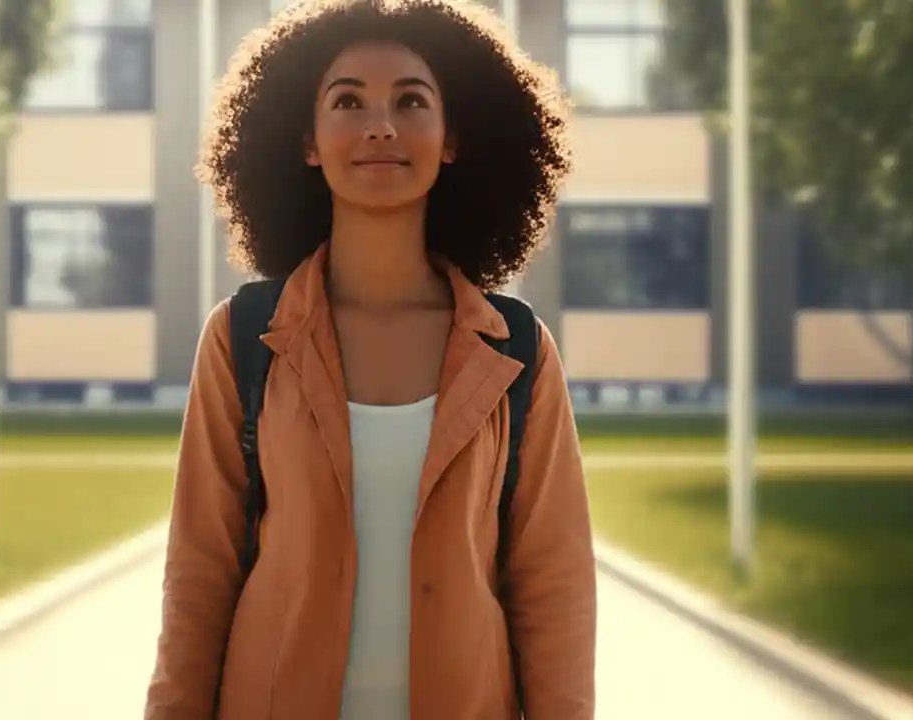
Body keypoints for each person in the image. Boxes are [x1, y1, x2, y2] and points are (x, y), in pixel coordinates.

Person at [145, 1, 594, 718]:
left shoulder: (517, 349)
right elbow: (199, 576)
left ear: (451, 139)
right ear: (308, 141)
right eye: (347, 100)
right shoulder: (242, 335)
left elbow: (552, 585)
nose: (380, 124)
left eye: (411, 100)